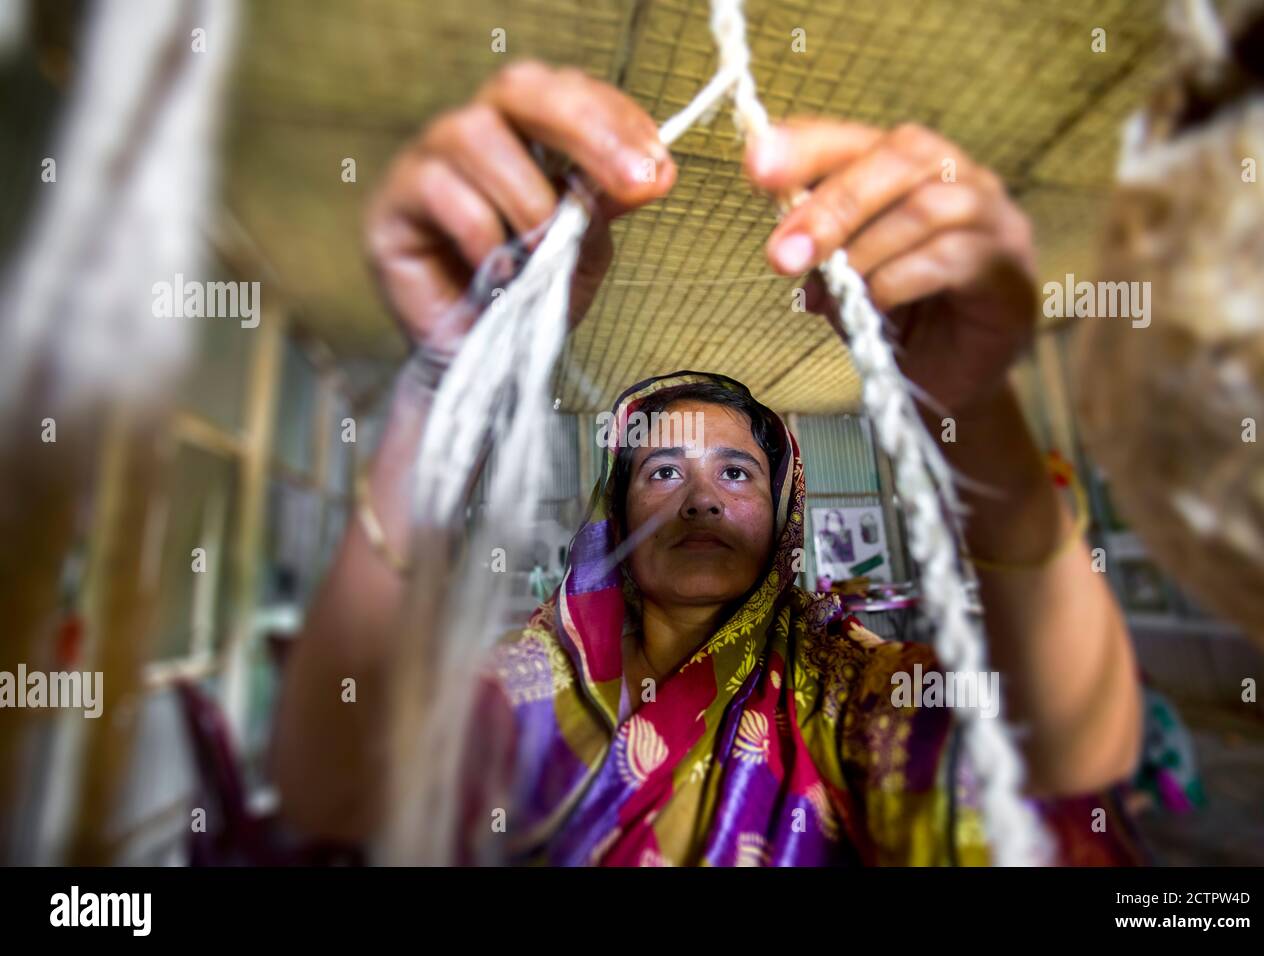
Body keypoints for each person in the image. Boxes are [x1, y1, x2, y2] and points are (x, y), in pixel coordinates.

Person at [272, 60, 1144, 865]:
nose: (699, 499)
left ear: (784, 509)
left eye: (736, 472)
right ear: (613, 512)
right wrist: (443, 387)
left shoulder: (840, 690)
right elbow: (338, 792)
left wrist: (975, 409)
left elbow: (1062, 761)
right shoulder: (534, 680)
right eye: (661, 472)